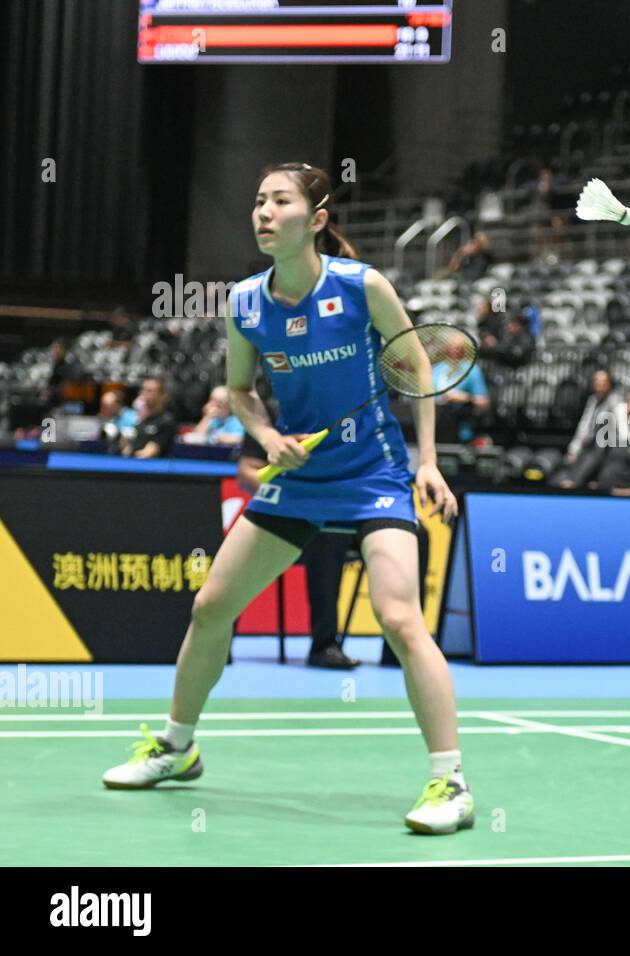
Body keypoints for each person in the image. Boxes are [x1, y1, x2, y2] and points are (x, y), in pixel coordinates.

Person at [102, 162, 473, 835]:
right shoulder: (246, 302)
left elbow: (416, 361)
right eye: (258, 201)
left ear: (318, 219)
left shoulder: (362, 287)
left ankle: (450, 782)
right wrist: (268, 435)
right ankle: (176, 749)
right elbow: (240, 390)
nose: (263, 212)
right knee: (211, 606)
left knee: (398, 618)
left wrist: (428, 461)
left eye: (280, 201)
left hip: (374, 475)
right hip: (298, 480)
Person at [235, 431, 361, 670]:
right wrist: (294, 495)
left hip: (349, 512)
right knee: (327, 535)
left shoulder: (347, 413)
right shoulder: (267, 415)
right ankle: (324, 646)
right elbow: (246, 475)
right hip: (290, 515)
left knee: (415, 535)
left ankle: (398, 651)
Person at [565, 387, 630, 497]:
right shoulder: (617, 438)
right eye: (628, 403)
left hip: (629, 506)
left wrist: (613, 493)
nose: (629, 410)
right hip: (600, 502)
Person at [432, 338, 489, 443]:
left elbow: (484, 403)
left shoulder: (472, 370)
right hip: (434, 427)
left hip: (460, 430)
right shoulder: (436, 369)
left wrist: (465, 398)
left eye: (458, 348)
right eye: (451, 347)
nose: (454, 351)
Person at [120, 376, 177, 459]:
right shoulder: (140, 420)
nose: (144, 394)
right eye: (143, 390)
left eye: (150, 391)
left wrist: (130, 453)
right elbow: (126, 449)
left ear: (163, 395)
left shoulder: (166, 421)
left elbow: (149, 453)